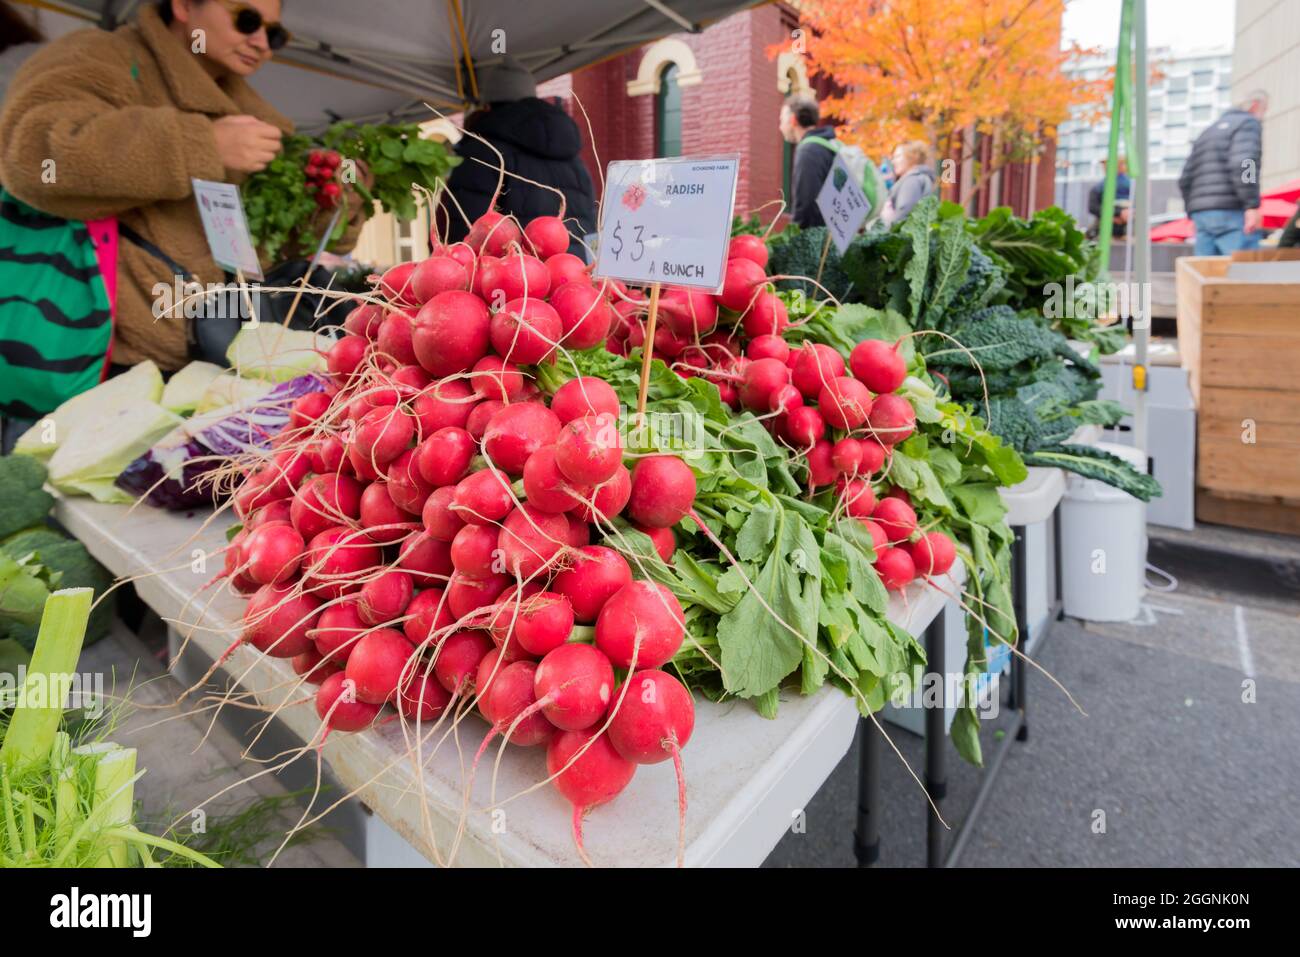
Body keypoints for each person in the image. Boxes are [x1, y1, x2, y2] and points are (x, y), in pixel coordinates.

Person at [0, 0, 369, 375]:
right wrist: (202, 144)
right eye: (246, 20)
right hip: (109, 363)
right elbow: (31, 152)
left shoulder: (250, 115)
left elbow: (275, 247)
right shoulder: (102, 54)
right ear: (183, 6)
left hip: (221, 357)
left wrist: (333, 204)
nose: (262, 43)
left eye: (274, 33)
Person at [443, 57, 596, 258]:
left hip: (514, 281)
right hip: (576, 273)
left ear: (487, 105)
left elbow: (464, 231)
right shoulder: (573, 157)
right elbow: (589, 223)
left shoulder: (483, 150)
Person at [1179, 90, 1267, 256]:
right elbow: (1245, 163)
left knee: (1205, 275)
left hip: (1202, 215)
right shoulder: (1247, 123)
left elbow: (1185, 178)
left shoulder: (1208, 131)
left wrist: (1192, 211)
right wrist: (1251, 205)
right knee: (1243, 274)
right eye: (1264, 110)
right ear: (1255, 106)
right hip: (1232, 211)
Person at [779, 94, 837, 228]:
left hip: (821, 242)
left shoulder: (808, 151)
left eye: (782, 120)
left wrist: (794, 239)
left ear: (793, 120)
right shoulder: (827, 144)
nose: (780, 126)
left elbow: (806, 206)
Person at [880, 140, 936, 226]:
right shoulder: (920, 178)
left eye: (897, 156)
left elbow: (903, 216)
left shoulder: (912, 180)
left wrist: (887, 223)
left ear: (912, 157)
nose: (893, 161)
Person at [1087, 157, 1131, 239]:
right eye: (1104, 165)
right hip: (1106, 225)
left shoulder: (1130, 184)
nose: (1105, 167)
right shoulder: (1099, 187)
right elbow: (1093, 207)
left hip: (1126, 226)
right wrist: (1117, 213)